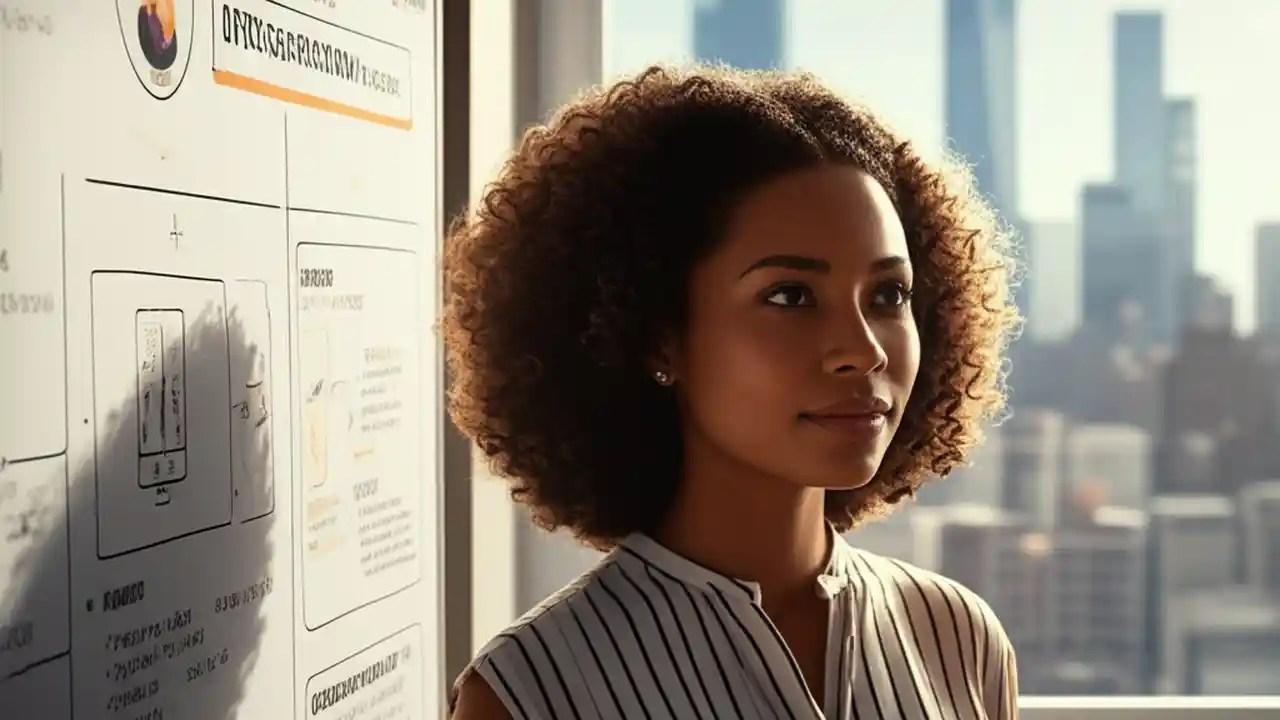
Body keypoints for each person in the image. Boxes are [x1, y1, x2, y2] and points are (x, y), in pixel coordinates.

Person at [444, 64, 1022, 719]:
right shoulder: (529, 693)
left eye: (888, 295)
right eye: (790, 296)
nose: (864, 349)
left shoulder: (959, 640)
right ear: (658, 336)